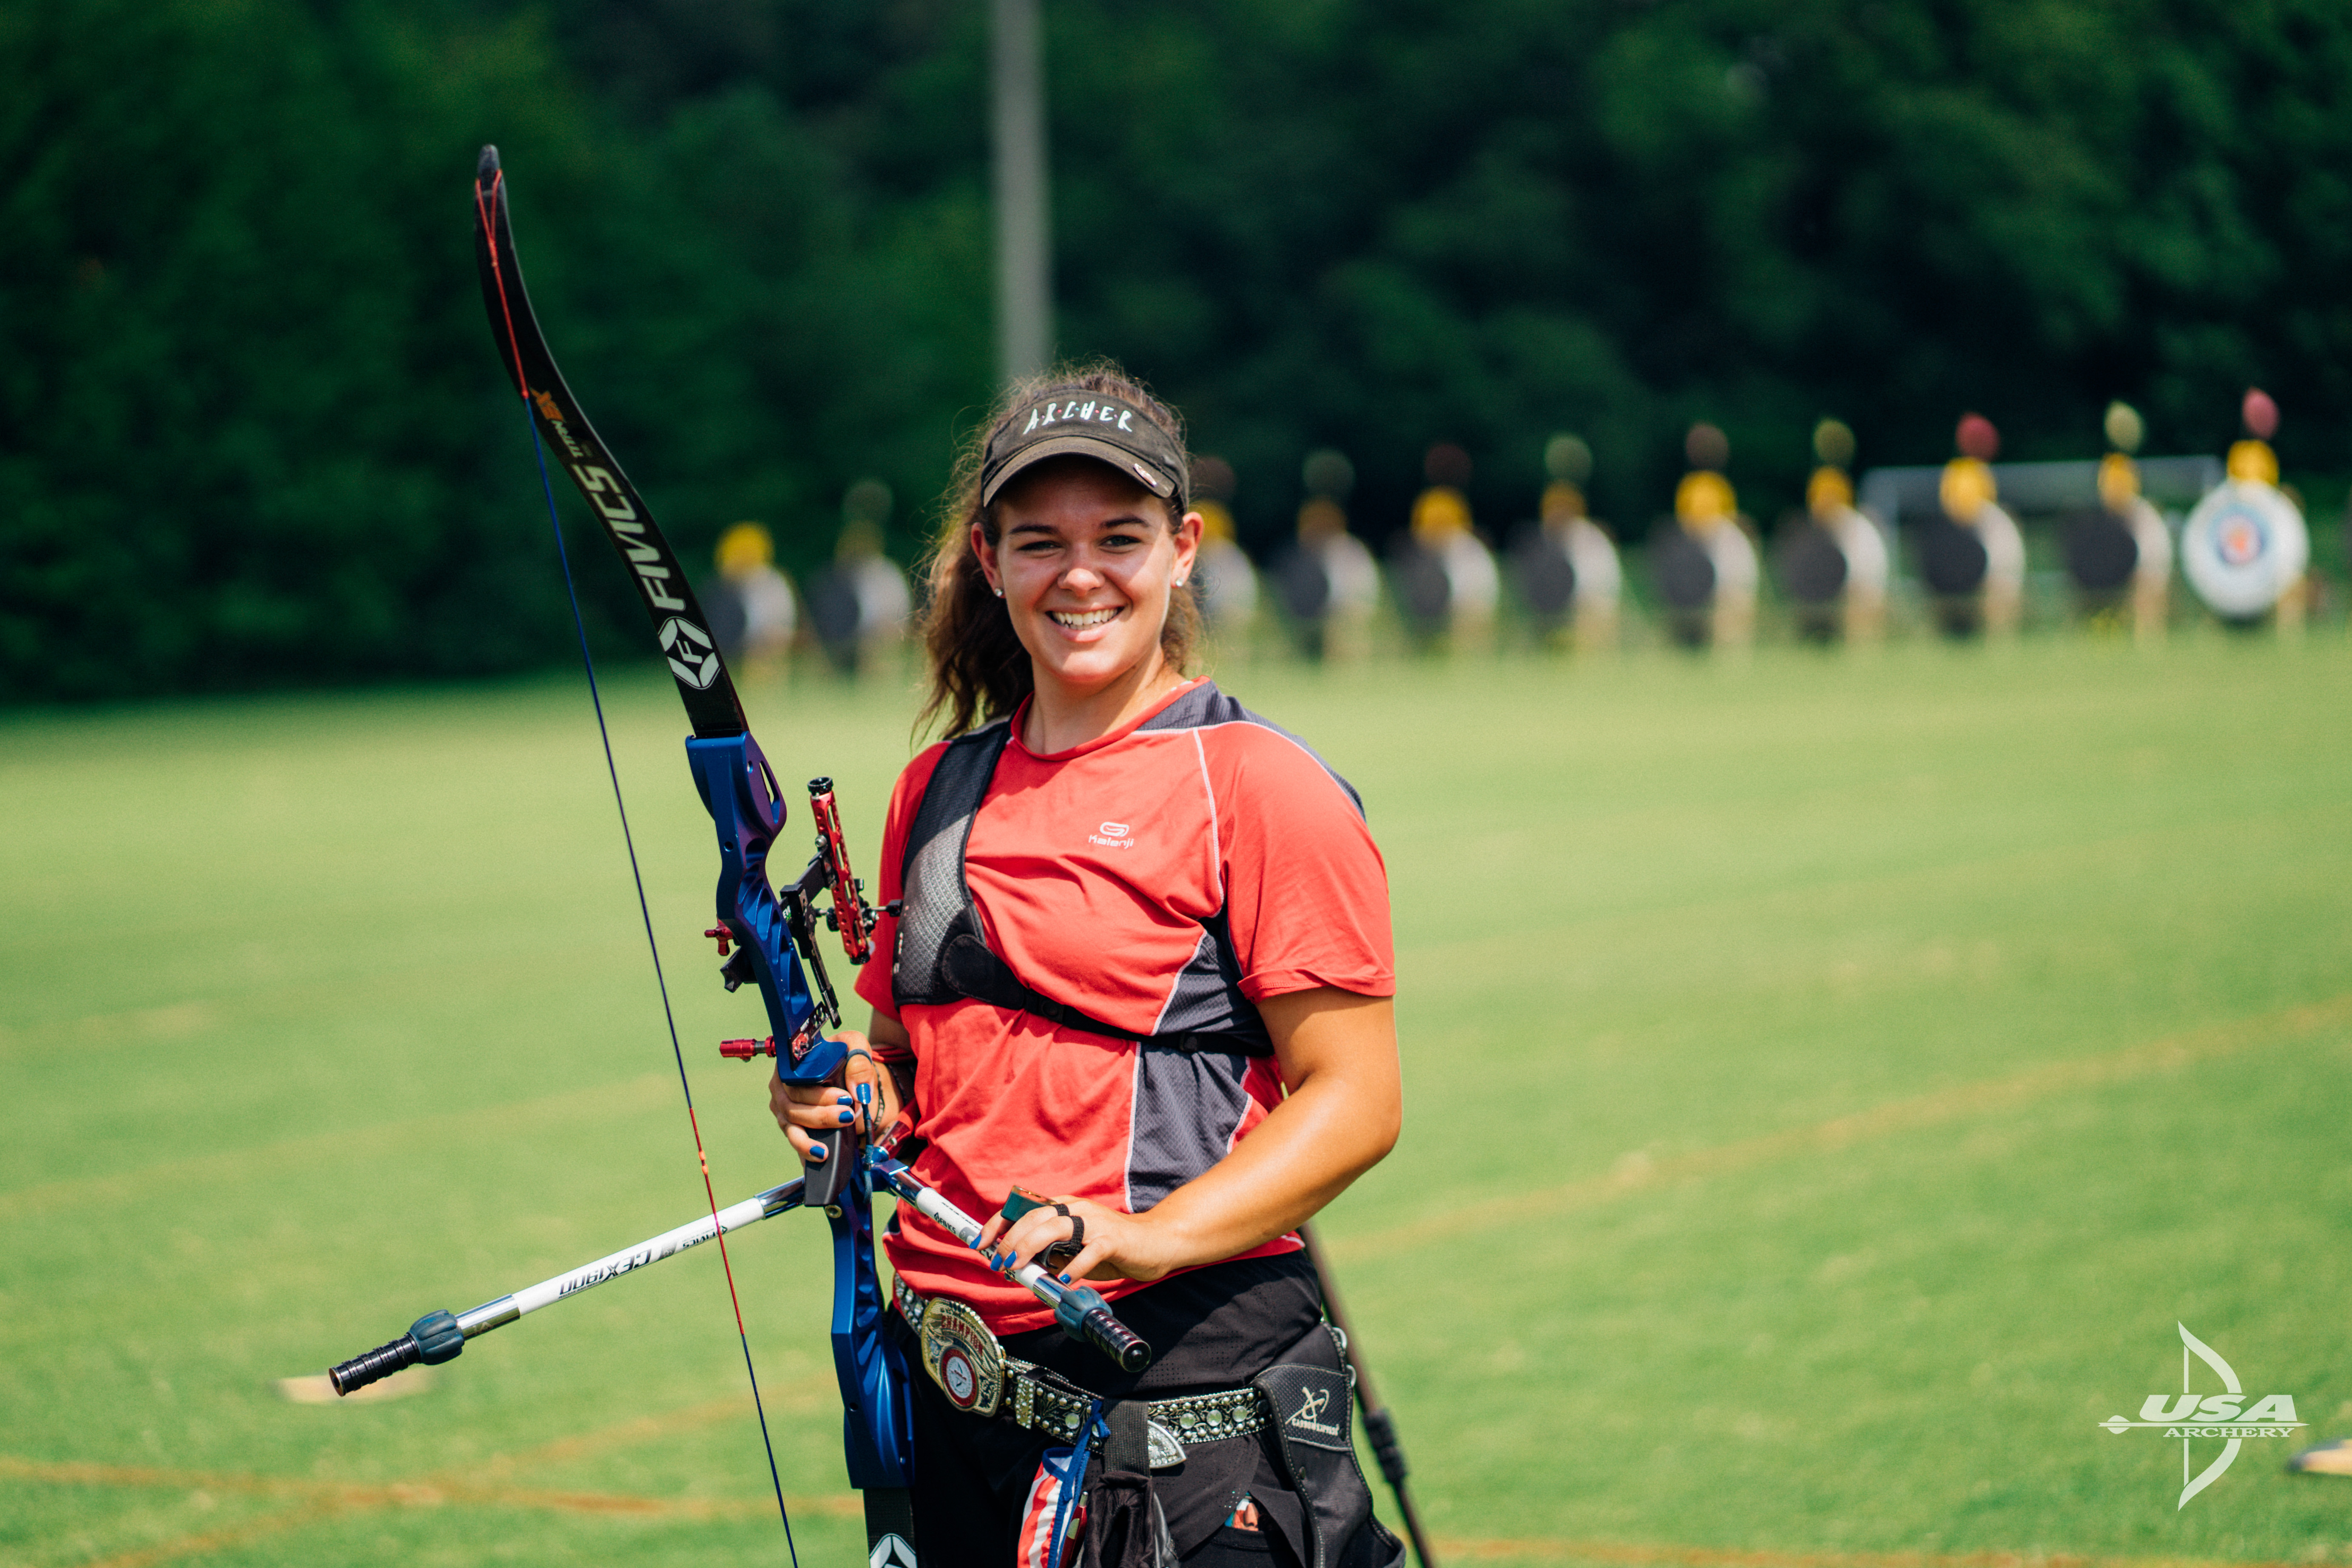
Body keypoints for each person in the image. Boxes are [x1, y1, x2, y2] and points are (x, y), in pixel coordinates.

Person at [770, 366, 1406, 1568]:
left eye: (1119, 538)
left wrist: (1147, 1234)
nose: (1080, 575)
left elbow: (1357, 1098)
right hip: (955, 1400)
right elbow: (909, 1061)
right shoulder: (936, 787)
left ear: (1182, 549)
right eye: (1039, 543)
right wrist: (843, 1089)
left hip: (1183, 1393)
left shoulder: (1258, 782)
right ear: (988, 558)